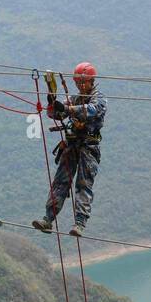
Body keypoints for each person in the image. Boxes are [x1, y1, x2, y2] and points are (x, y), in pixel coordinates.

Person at [32, 62, 106, 237]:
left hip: (88, 147)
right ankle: (48, 219)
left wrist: (66, 108)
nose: (81, 85)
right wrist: (52, 102)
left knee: (83, 184)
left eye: (84, 82)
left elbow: (90, 110)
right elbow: (55, 114)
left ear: (91, 81)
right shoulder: (74, 98)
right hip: (72, 145)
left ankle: (79, 224)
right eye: (78, 83)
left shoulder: (99, 99)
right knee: (61, 182)